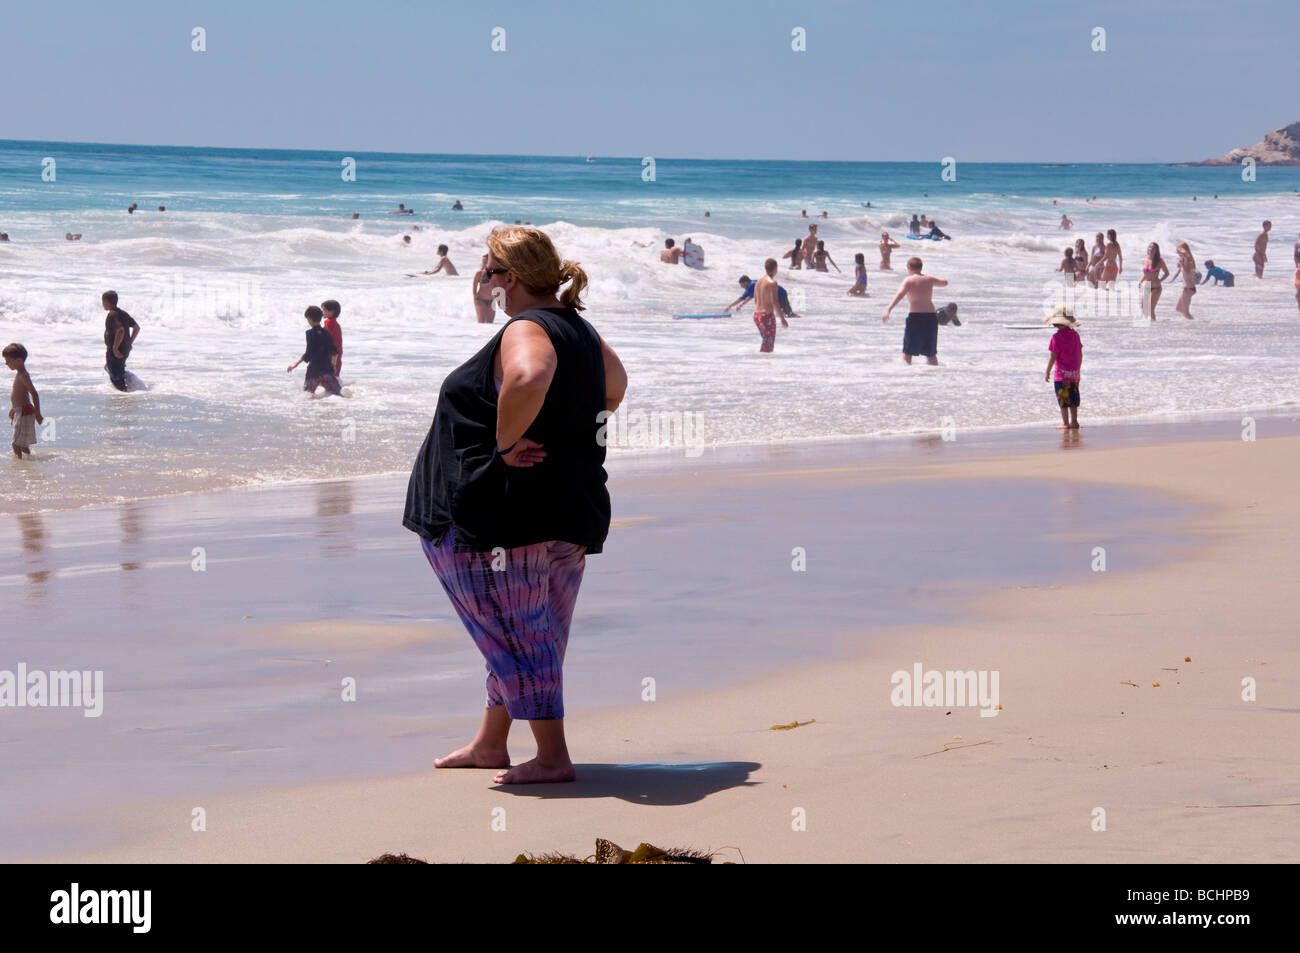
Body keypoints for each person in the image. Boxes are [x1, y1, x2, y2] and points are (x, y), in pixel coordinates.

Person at [402, 225, 628, 785]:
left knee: (516, 634)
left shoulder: (525, 329)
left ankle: (552, 757)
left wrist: (505, 443)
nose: (484, 281)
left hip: (499, 517)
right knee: (528, 632)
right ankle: (490, 742)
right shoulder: (578, 329)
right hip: (567, 508)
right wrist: (564, 435)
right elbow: (616, 386)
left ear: (509, 278)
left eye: (487, 271)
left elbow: (529, 376)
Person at [882, 256, 948, 365]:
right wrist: (931, 279)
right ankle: (936, 377)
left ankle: (907, 377)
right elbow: (944, 282)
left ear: (909, 267)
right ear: (921, 267)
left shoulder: (909, 280)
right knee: (931, 354)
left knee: (908, 353)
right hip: (930, 317)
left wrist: (888, 309)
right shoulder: (929, 279)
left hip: (916, 318)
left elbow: (900, 295)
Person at [286, 306, 342, 396]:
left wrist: (295, 364)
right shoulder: (326, 333)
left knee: (307, 396)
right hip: (327, 370)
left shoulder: (309, 333)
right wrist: (333, 366)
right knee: (338, 394)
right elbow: (334, 352)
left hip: (313, 372)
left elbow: (308, 354)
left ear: (309, 318)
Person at [1044, 307, 1082, 430]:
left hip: (1061, 375)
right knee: (1073, 398)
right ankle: (1074, 421)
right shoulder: (1075, 335)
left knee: (1063, 400)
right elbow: (1079, 353)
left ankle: (1065, 423)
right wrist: (1078, 368)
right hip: (1074, 374)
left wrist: (1048, 370)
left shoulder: (1056, 338)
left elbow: (1053, 356)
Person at [5, 343, 43, 457]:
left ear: (19, 360)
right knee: (23, 444)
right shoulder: (19, 374)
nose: (6, 363)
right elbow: (21, 395)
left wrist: (38, 413)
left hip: (24, 412)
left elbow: (34, 394)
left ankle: (20, 466)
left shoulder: (23, 375)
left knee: (15, 444)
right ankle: (28, 463)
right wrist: (14, 408)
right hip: (20, 411)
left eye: (8, 361)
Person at [101, 290, 140, 391]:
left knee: (115, 377)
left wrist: (115, 348)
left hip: (115, 352)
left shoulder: (112, 315)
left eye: (103, 302)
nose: (102, 304)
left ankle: (124, 396)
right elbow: (136, 328)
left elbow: (120, 330)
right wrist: (129, 342)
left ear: (107, 302)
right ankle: (127, 380)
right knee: (112, 368)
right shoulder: (123, 313)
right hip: (125, 349)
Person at [752, 258, 789, 352]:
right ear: (776, 268)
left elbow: (756, 300)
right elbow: (775, 302)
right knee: (768, 344)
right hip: (766, 315)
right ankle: (763, 364)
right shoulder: (772, 283)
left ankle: (763, 363)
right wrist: (782, 318)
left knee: (766, 341)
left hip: (757, 315)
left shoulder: (758, 282)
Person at [726, 274, 798, 319]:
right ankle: (799, 319)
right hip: (778, 293)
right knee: (785, 314)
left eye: (742, 285)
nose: (742, 287)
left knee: (788, 315)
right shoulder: (753, 283)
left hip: (779, 294)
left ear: (746, 282)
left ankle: (800, 319)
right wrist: (740, 305)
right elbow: (750, 297)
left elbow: (741, 298)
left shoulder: (751, 285)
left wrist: (729, 306)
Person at [1138, 242, 1169, 320]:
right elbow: (1146, 274)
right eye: (1150, 247)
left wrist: (1160, 280)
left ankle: (1154, 327)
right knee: (1143, 307)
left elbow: (1167, 273)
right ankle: (1149, 326)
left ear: (1156, 251)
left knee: (1150, 309)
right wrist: (1141, 281)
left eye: (1153, 248)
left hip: (1156, 288)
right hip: (1147, 286)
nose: (1151, 249)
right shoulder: (1145, 260)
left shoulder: (1160, 261)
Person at [1169, 242, 1197, 320]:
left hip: (1188, 288)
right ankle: (1191, 322)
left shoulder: (1188, 259)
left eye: (1178, 250)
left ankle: (1193, 325)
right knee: (1178, 308)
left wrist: (1182, 264)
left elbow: (1187, 270)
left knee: (1186, 312)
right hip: (1189, 287)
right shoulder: (1186, 259)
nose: (1177, 252)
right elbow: (1185, 271)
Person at [321, 300, 344, 375]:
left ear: (332, 312)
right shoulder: (335, 324)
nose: (322, 312)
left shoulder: (329, 323)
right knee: (333, 379)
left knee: (327, 379)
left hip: (331, 356)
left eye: (324, 309)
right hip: (337, 355)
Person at [472, 254, 496, 323]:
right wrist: (475, 296)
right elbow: (474, 285)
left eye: (486, 261)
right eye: (483, 261)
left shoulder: (494, 273)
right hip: (480, 300)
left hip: (492, 301)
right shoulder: (479, 273)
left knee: (490, 323)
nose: (484, 263)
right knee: (481, 322)